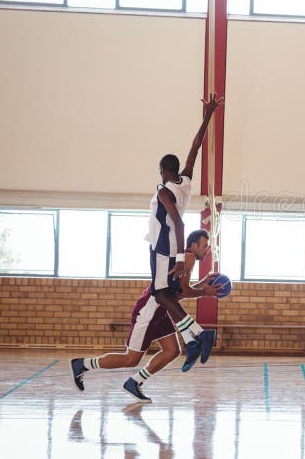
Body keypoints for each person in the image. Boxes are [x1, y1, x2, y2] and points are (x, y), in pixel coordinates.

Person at [70, 230, 219, 402]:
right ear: (193, 246)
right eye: (205, 246)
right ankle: (82, 364)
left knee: (172, 351)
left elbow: (176, 295)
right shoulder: (189, 258)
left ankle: (135, 382)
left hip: (160, 312)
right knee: (131, 359)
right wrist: (205, 291)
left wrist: (201, 287)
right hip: (148, 311)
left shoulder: (185, 259)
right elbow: (183, 292)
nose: (207, 250)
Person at [147, 93, 223, 372]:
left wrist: (180, 258)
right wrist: (208, 115)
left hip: (163, 249)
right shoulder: (186, 181)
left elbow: (178, 224)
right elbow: (195, 147)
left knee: (162, 296)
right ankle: (193, 339)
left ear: (162, 170)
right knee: (164, 296)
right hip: (168, 248)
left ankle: (200, 335)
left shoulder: (164, 190)